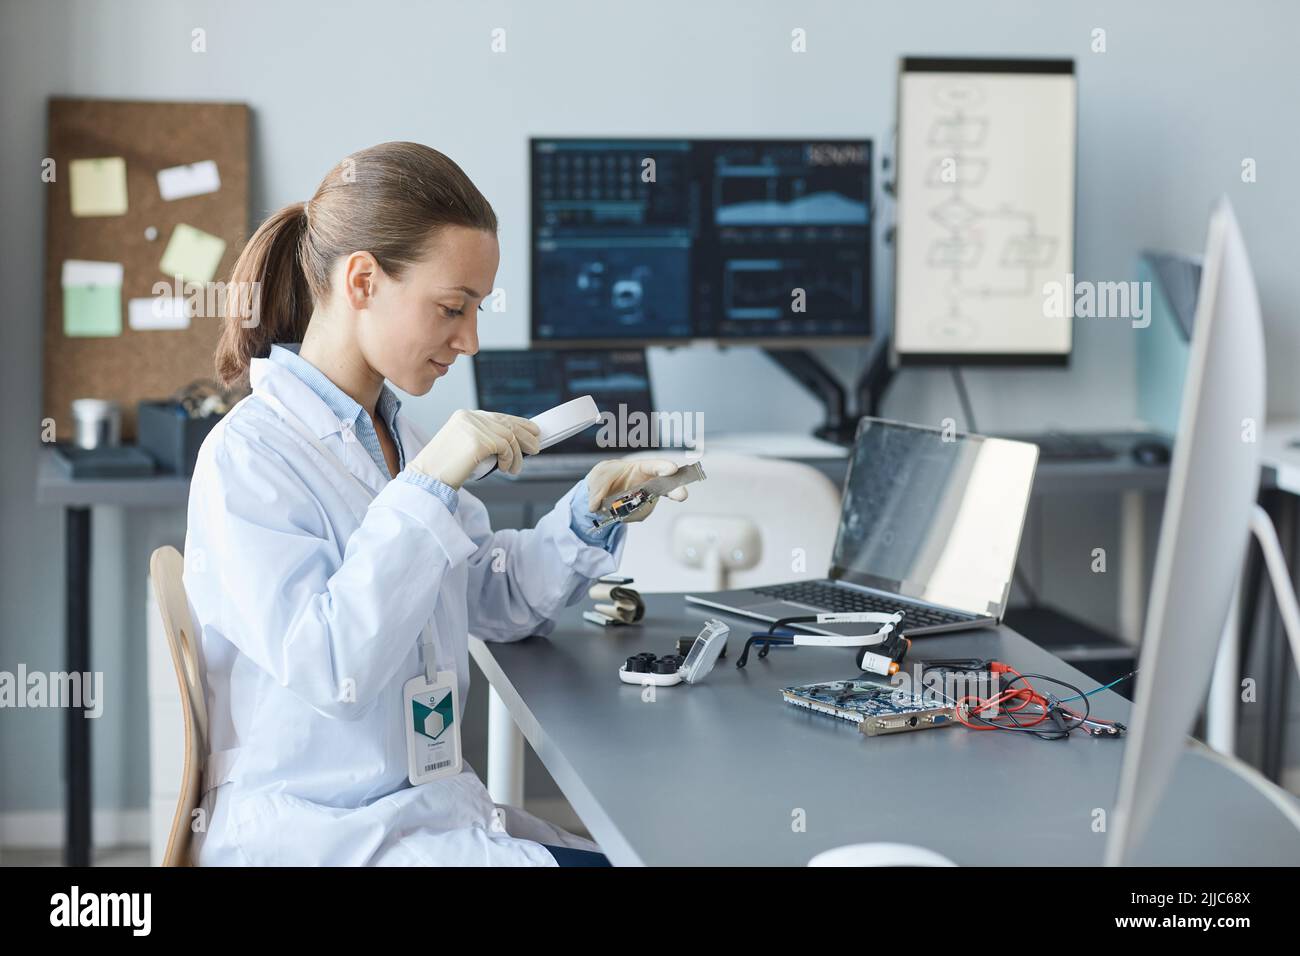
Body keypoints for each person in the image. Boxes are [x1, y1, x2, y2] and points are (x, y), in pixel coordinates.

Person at [183, 142, 686, 866]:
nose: (471, 340)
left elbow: (490, 597)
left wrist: (589, 515)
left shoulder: (395, 434)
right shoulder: (249, 457)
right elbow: (332, 667)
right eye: (453, 307)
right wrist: (426, 486)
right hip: (324, 832)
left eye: (475, 310)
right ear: (362, 280)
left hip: (423, 812)